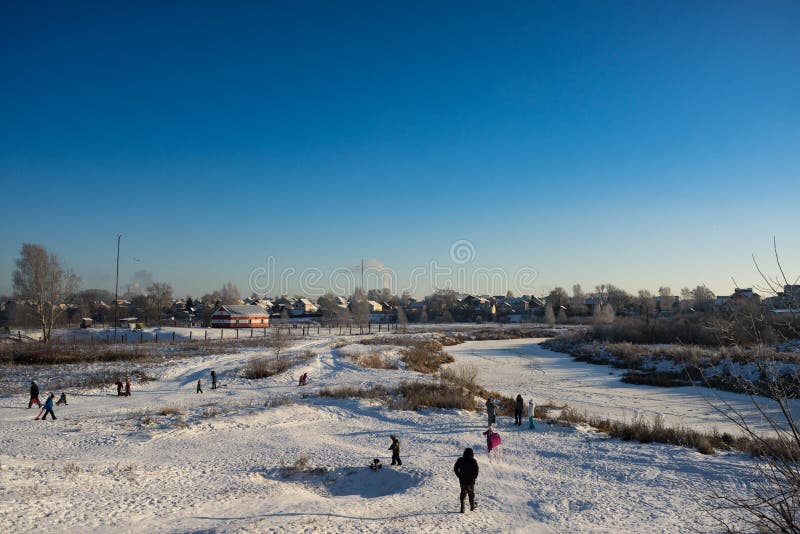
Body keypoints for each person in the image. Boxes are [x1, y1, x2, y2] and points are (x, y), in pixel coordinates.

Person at [454, 447, 479, 513]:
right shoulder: (473, 461)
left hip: (462, 480)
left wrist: (459, 476)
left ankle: (462, 508)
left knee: (463, 492)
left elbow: (455, 468)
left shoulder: (460, 460)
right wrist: (474, 478)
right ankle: (472, 507)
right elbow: (476, 471)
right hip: (470, 481)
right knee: (471, 493)